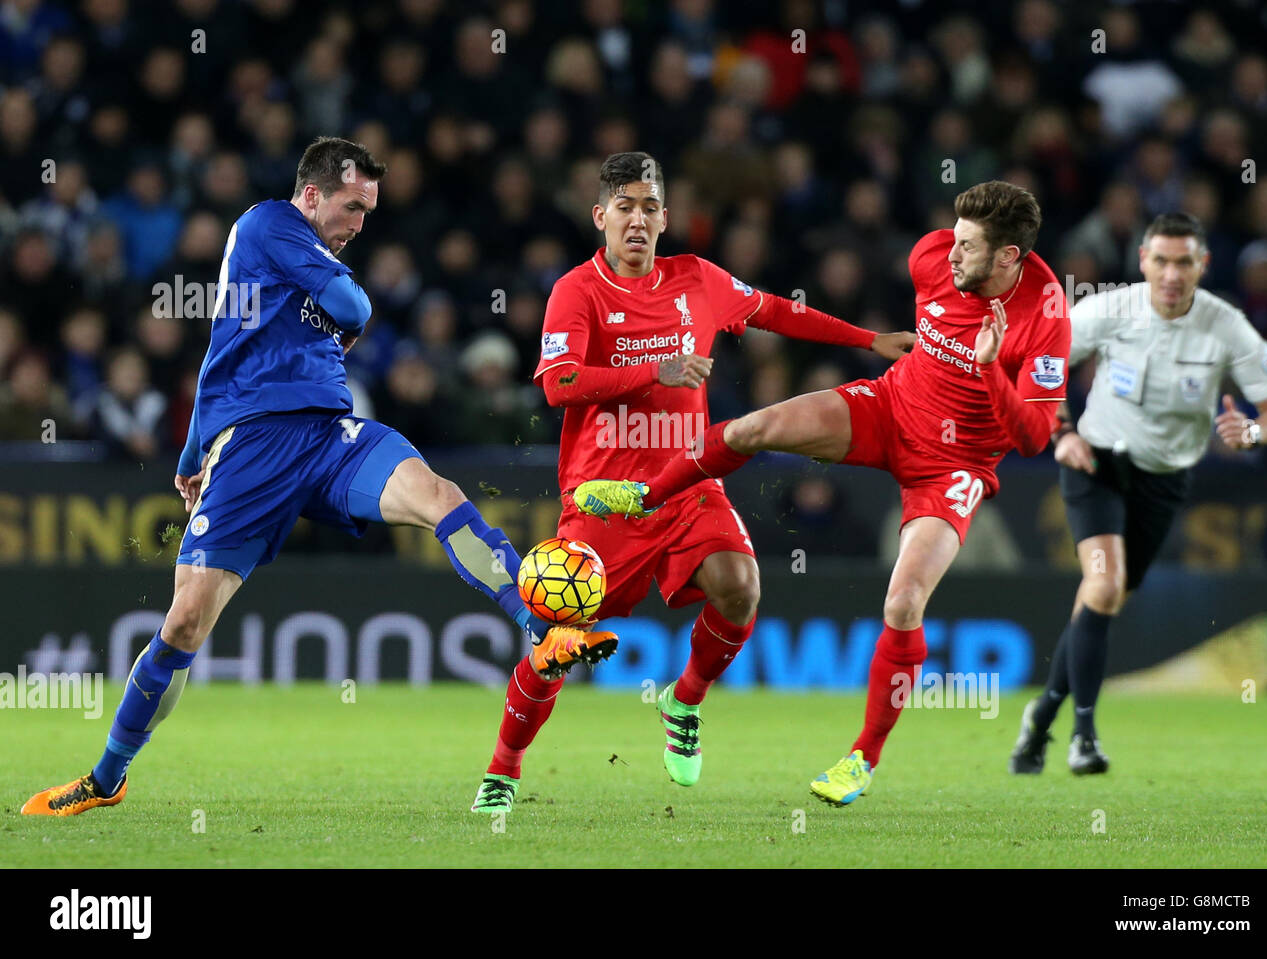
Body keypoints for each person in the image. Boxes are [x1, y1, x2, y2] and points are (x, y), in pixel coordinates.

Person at [22, 136, 614, 817]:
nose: (361, 223)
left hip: (330, 434)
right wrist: (199, 456)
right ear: (311, 195)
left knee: (439, 495)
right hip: (252, 450)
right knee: (184, 622)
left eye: (370, 211)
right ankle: (106, 777)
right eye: (353, 205)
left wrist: (187, 456)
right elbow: (354, 309)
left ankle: (542, 627)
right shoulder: (269, 223)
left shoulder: (294, 267)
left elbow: (223, 348)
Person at [578, 180, 1071, 806]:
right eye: (954, 235)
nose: (950, 252)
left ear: (1008, 259)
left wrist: (991, 372)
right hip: (891, 407)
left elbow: (1031, 439)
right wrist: (873, 342)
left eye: (969, 246)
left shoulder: (1046, 317)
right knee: (755, 426)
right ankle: (644, 497)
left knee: (904, 603)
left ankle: (861, 760)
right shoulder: (930, 257)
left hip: (953, 465)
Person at [468, 151, 915, 814]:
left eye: (650, 207)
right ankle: (503, 769)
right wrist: (656, 372)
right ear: (600, 217)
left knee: (740, 586)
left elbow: (774, 312)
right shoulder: (576, 291)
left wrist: (867, 338)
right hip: (602, 495)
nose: (638, 219)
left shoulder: (697, 280)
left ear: (667, 217)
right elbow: (559, 385)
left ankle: (685, 700)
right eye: (625, 207)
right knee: (557, 640)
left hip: (686, 483)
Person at [1010, 212, 1267, 775]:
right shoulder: (1106, 311)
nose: (1171, 273)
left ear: (1202, 265)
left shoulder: (1227, 326)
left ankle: (1041, 715)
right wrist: (1061, 433)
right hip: (1096, 462)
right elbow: (1039, 371)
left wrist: (1253, 433)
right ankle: (1083, 737)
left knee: (1103, 597)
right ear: (1143, 261)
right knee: (1106, 582)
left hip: (1164, 480)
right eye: (1160, 260)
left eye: (1183, 261)